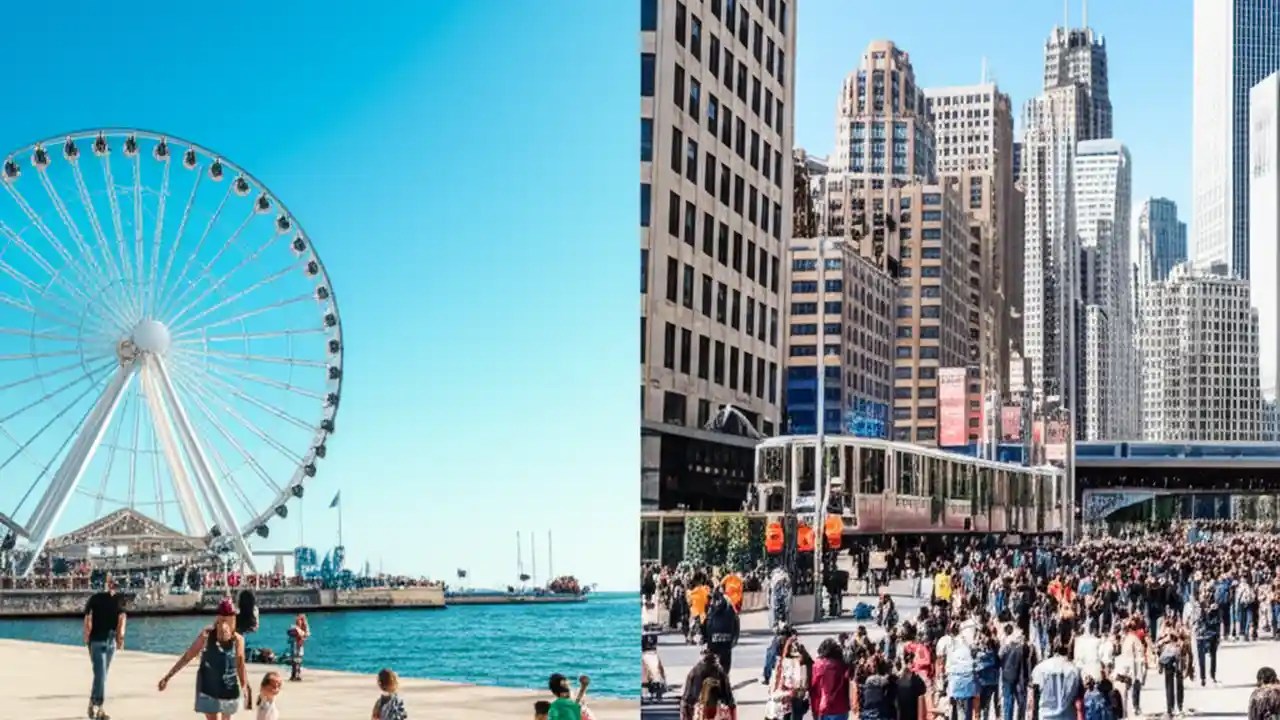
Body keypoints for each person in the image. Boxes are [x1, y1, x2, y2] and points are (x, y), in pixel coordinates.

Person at [157, 598, 251, 719]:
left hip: (228, 687)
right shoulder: (207, 635)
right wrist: (168, 676)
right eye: (223, 617)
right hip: (208, 686)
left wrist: (245, 687)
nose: (226, 620)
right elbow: (188, 656)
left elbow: (240, 664)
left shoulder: (238, 640)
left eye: (229, 616)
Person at [84, 575, 126, 720]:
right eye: (112, 584)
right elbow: (88, 618)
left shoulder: (118, 600)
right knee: (101, 675)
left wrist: (120, 637)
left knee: (101, 675)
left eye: (114, 584)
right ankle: (98, 706)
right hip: (97, 641)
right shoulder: (96, 599)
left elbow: (122, 619)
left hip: (109, 642)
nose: (113, 587)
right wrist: (87, 635)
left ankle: (94, 705)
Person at [1030, 641, 1083, 720]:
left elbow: (1035, 696)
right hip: (1068, 715)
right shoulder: (1074, 670)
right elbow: (1079, 698)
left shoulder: (1040, 668)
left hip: (1045, 715)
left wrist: (1034, 717)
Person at [681, 651, 734, 720]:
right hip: (714, 709)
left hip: (698, 709)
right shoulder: (720, 673)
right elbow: (729, 699)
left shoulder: (695, 671)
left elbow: (686, 699)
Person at [811, 638, 853, 720]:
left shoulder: (818, 666)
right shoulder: (843, 666)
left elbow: (815, 690)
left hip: (824, 707)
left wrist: (814, 710)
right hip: (841, 707)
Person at [704, 591, 740, 673]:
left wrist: (705, 639)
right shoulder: (730, 608)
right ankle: (725, 678)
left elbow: (705, 625)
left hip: (713, 640)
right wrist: (735, 638)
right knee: (725, 663)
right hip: (727, 640)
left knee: (711, 661)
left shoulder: (710, 609)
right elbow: (736, 623)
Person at [286, 614, 310, 681]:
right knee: (295, 660)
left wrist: (301, 636)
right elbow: (290, 633)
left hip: (298, 645)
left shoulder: (300, 629)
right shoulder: (294, 628)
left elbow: (305, 634)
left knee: (298, 660)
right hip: (295, 644)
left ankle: (296, 674)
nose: (299, 622)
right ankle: (294, 674)